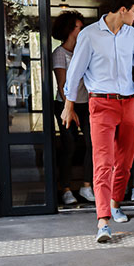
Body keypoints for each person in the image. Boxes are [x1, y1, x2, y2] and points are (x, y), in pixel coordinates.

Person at [61, 0, 134, 242]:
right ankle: (103, 221)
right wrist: (68, 104)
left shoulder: (131, 35)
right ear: (123, 10)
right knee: (103, 162)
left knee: (125, 162)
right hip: (101, 103)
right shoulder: (89, 35)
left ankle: (115, 203)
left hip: (128, 104)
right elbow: (75, 72)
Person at [51, 11, 95, 206]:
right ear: (70, 29)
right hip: (65, 104)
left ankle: (86, 186)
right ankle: (66, 189)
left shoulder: (83, 51)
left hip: (86, 104)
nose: (82, 30)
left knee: (92, 144)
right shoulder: (59, 54)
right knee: (69, 146)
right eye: (79, 27)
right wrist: (70, 108)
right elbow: (62, 85)